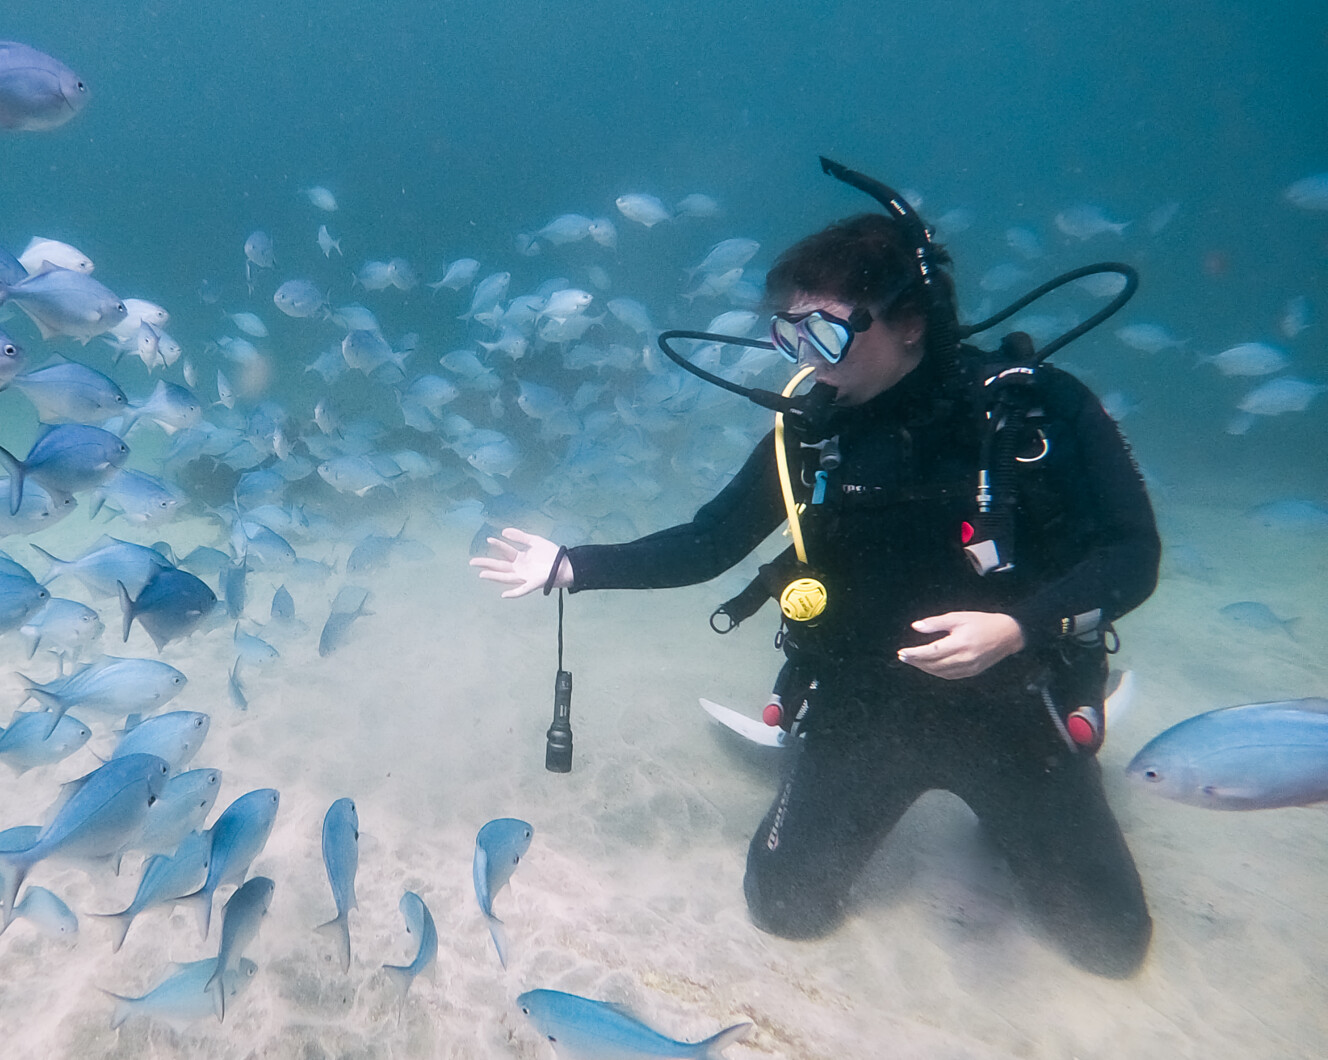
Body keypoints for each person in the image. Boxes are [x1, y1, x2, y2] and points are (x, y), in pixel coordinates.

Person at [470, 210, 1158, 978]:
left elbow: (1133, 556)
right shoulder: (810, 429)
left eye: (824, 335)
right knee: (786, 909)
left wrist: (1018, 628)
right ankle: (815, 749)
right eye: (788, 335)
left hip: (1012, 700)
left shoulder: (1034, 409)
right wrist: (573, 564)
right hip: (863, 701)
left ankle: (1052, 770)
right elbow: (710, 540)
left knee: (1113, 946)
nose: (804, 359)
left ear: (909, 322)